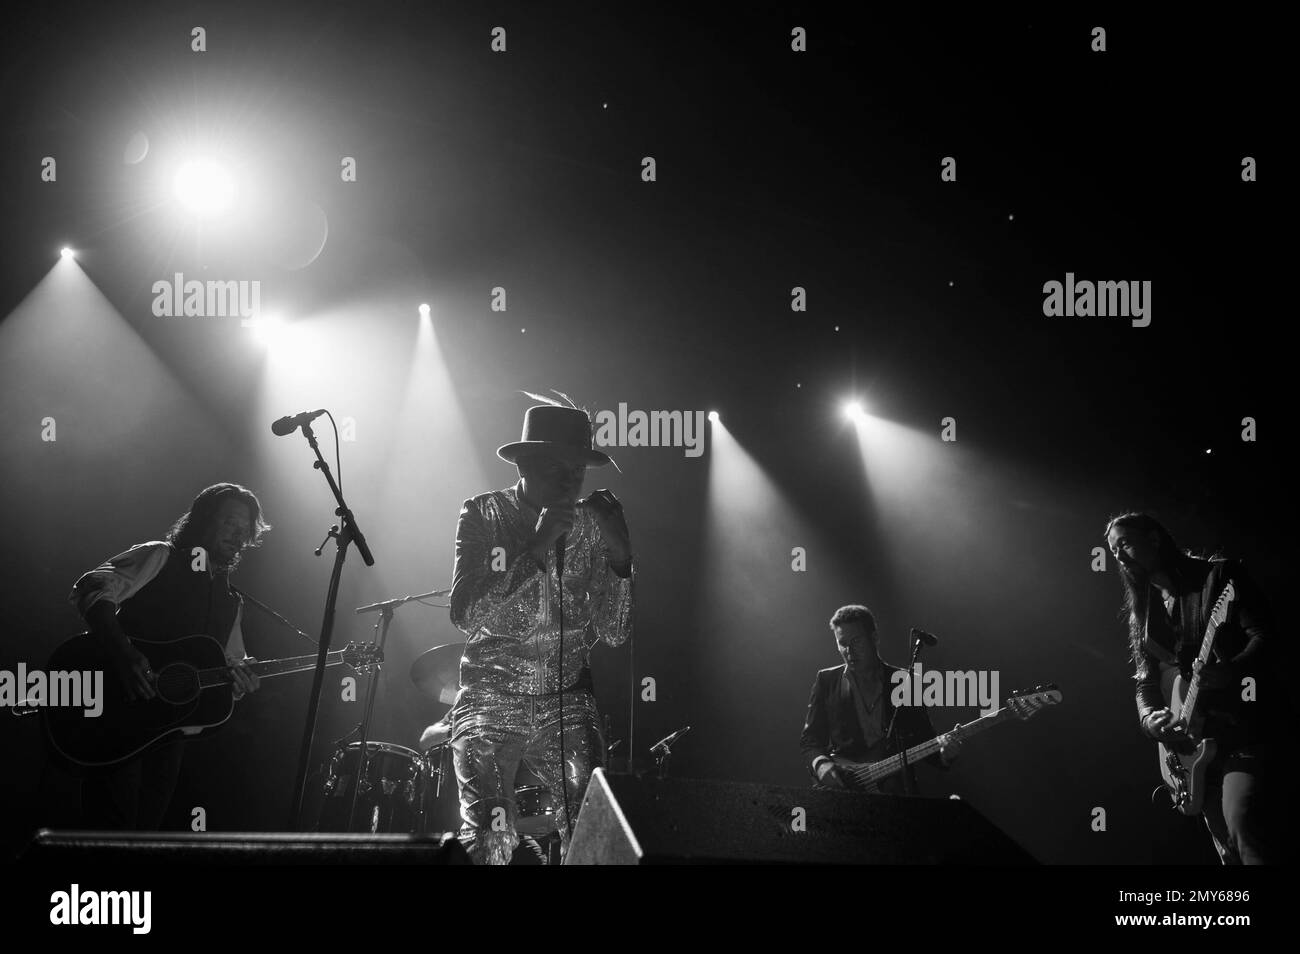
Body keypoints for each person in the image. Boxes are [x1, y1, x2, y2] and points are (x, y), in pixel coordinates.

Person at [448, 399, 633, 864]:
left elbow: (613, 631)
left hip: (566, 700)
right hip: (491, 697)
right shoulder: (484, 513)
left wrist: (621, 561)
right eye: (559, 467)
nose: (572, 480)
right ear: (527, 464)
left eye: (580, 469)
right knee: (491, 831)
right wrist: (536, 546)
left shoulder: (592, 526)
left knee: (595, 832)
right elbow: (467, 612)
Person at [68, 482, 267, 828]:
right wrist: (124, 655)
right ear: (202, 521)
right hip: (115, 713)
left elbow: (229, 670)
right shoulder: (160, 556)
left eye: (245, 529)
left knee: (145, 838)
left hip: (169, 733)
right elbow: (91, 588)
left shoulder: (230, 601)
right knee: (109, 831)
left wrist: (240, 680)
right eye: (230, 523)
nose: (238, 535)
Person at [1104, 512, 1275, 864]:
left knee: (1245, 829)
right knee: (1227, 849)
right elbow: (1145, 683)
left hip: (1242, 730)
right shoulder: (1145, 613)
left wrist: (1233, 671)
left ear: (1154, 538)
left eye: (1125, 543)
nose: (1119, 556)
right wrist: (1151, 720)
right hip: (1191, 750)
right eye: (1112, 550)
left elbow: (1266, 636)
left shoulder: (1217, 578)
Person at [800, 604, 959, 794]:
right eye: (842, 643)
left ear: (874, 638)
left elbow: (924, 740)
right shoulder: (827, 681)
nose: (849, 651)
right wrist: (822, 765)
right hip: (848, 788)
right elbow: (810, 740)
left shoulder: (906, 682)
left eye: (856, 642)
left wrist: (945, 754)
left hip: (896, 793)